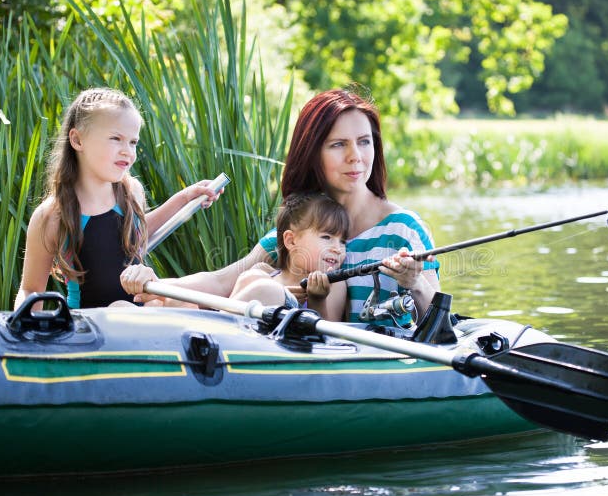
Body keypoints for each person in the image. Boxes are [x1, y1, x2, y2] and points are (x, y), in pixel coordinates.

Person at [121, 87, 439, 323]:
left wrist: (414, 283)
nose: (355, 156)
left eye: (364, 142)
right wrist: (156, 286)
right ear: (313, 152)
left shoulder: (404, 229)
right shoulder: (301, 228)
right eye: (338, 145)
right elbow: (221, 280)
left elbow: (440, 321)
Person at [14, 87, 220, 310]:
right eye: (116, 139)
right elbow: (31, 289)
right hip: (94, 328)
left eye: (133, 142)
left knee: (187, 297)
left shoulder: (132, 191)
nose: (128, 152)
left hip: (139, 313)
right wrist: (26, 335)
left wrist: (184, 198)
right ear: (77, 140)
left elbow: (132, 238)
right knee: (121, 308)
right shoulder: (52, 215)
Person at [230, 192, 348, 322]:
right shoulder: (267, 273)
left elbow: (329, 335)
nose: (337, 249)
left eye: (343, 241)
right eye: (326, 237)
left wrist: (317, 299)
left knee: (268, 289)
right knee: (251, 276)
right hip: (247, 336)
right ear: (291, 241)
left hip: (295, 340)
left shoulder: (333, 284)